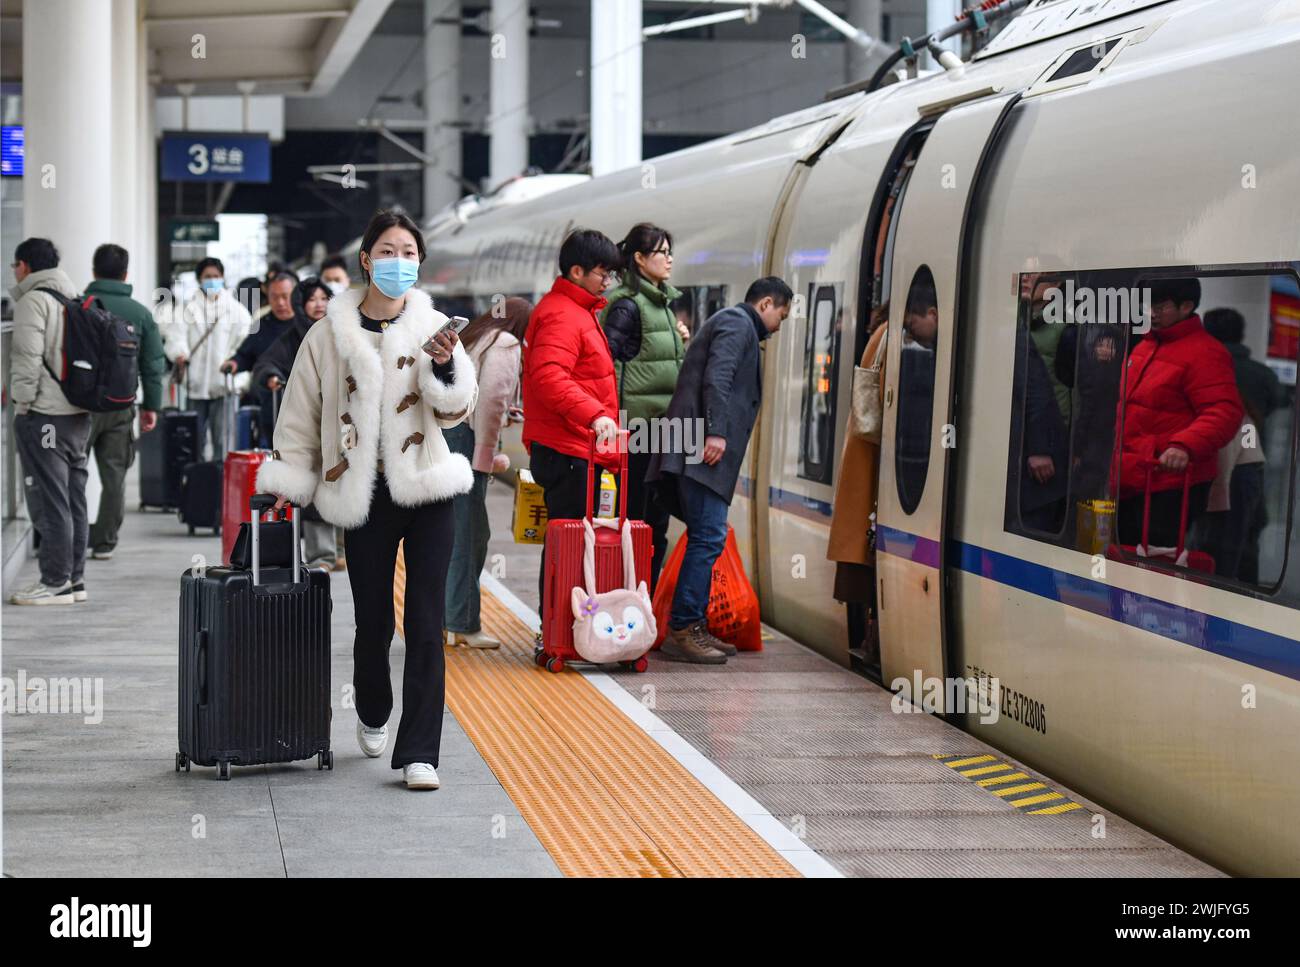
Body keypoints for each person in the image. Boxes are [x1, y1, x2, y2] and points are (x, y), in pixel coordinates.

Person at [257, 208, 477, 790]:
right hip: (365, 494)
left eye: (409, 253)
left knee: (426, 624)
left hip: (427, 486)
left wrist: (446, 364)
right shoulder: (327, 333)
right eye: (388, 250)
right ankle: (373, 707)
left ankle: (420, 753)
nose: (398, 262)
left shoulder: (433, 326)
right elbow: (300, 416)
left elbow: (456, 410)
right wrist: (289, 483)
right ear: (365, 258)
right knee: (374, 621)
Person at [647, 277, 792, 663]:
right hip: (700, 447)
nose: (780, 324)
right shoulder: (736, 324)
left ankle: (691, 624)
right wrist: (715, 432)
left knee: (706, 534)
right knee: (709, 535)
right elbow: (718, 378)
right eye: (782, 313)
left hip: (696, 446)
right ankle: (683, 628)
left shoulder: (737, 324)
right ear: (765, 303)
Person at [522, 229, 623, 632]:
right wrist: (595, 415)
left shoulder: (578, 311)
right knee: (568, 544)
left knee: (573, 542)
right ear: (577, 271)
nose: (608, 281)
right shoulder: (563, 313)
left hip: (577, 447)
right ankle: (560, 628)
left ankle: (568, 626)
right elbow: (548, 376)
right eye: (603, 272)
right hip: (567, 450)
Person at [1113, 278, 1242, 549]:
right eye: (1150, 306)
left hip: (1167, 483)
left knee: (1152, 563)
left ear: (1187, 306)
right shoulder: (1145, 346)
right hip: (1131, 476)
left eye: (1161, 307)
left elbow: (1224, 410)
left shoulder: (1206, 353)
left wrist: (1184, 446)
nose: (1152, 313)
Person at [600, 223, 686, 591]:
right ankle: (625, 601)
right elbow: (607, 366)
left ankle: (643, 602)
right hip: (635, 432)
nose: (669, 260)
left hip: (660, 431)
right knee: (635, 520)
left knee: (656, 522)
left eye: (670, 252)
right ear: (639, 258)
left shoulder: (661, 304)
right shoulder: (627, 306)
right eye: (661, 252)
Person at [444, 297, 531, 649]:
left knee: (453, 534)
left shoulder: (479, 336)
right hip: (467, 442)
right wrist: (487, 454)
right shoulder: (506, 343)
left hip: (450, 437)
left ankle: (447, 620)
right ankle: (462, 624)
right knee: (470, 535)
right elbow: (491, 401)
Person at [8, 238, 91, 605]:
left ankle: (54, 580)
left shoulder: (33, 301)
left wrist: (22, 402)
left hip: (46, 418)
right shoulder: (74, 299)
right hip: (77, 415)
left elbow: (26, 356)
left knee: (52, 498)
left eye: (15, 265)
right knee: (74, 497)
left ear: (24, 266)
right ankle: (74, 579)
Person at [84, 243, 168, 560]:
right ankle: (105, 541)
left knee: (72, 473)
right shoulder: (141, 314)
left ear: (94, 271)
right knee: (115, 475)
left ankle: (70, 537)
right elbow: (153, 365)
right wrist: (152, 408)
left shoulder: (82, 307)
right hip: (121, 405)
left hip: (82, 408)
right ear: (126, 274)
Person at [1195, 307, 1290, 581]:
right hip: (1250, 462)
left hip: (1211, 462)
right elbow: (1281, 403)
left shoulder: (1207, 367)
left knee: (1208, 536)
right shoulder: (1262, 375)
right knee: (1247, 536)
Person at [253, 276, 338, 569]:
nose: (319, 305)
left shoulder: (343, 331)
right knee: (314, 487)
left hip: (342, 423)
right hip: (309, 423)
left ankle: (339, 550)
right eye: (312, 299)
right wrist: (271, 378)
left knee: (344, 483)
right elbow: (265, 364)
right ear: (301, 305)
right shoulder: (292, 337)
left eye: (324, 298)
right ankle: (322, 555)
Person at [159, 257, 252, 460]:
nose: (212, 280)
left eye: (216, 276)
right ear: (199, 279)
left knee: (224, 441)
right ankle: (196, 482)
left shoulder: (237, 311)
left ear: (223, 278)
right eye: (207, 276)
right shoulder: (186, 310)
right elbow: (176, 337)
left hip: (225, 387)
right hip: (194, 386)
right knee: (194, 440)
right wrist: (179, 354)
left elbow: (244, 346)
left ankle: (220, 482)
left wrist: (238, 379)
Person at [223, 271, 297, 446]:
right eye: (274, 297)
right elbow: (245, 355)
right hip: (268, 400)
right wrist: (234, 363)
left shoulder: (308, 324)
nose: (280, 303)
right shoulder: (261, 326)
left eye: (285, 296)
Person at [895, 269, 939, 510]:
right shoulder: (927, 350)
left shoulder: (924, 357)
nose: (910, 332)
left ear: (933, 315)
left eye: (913, 323)